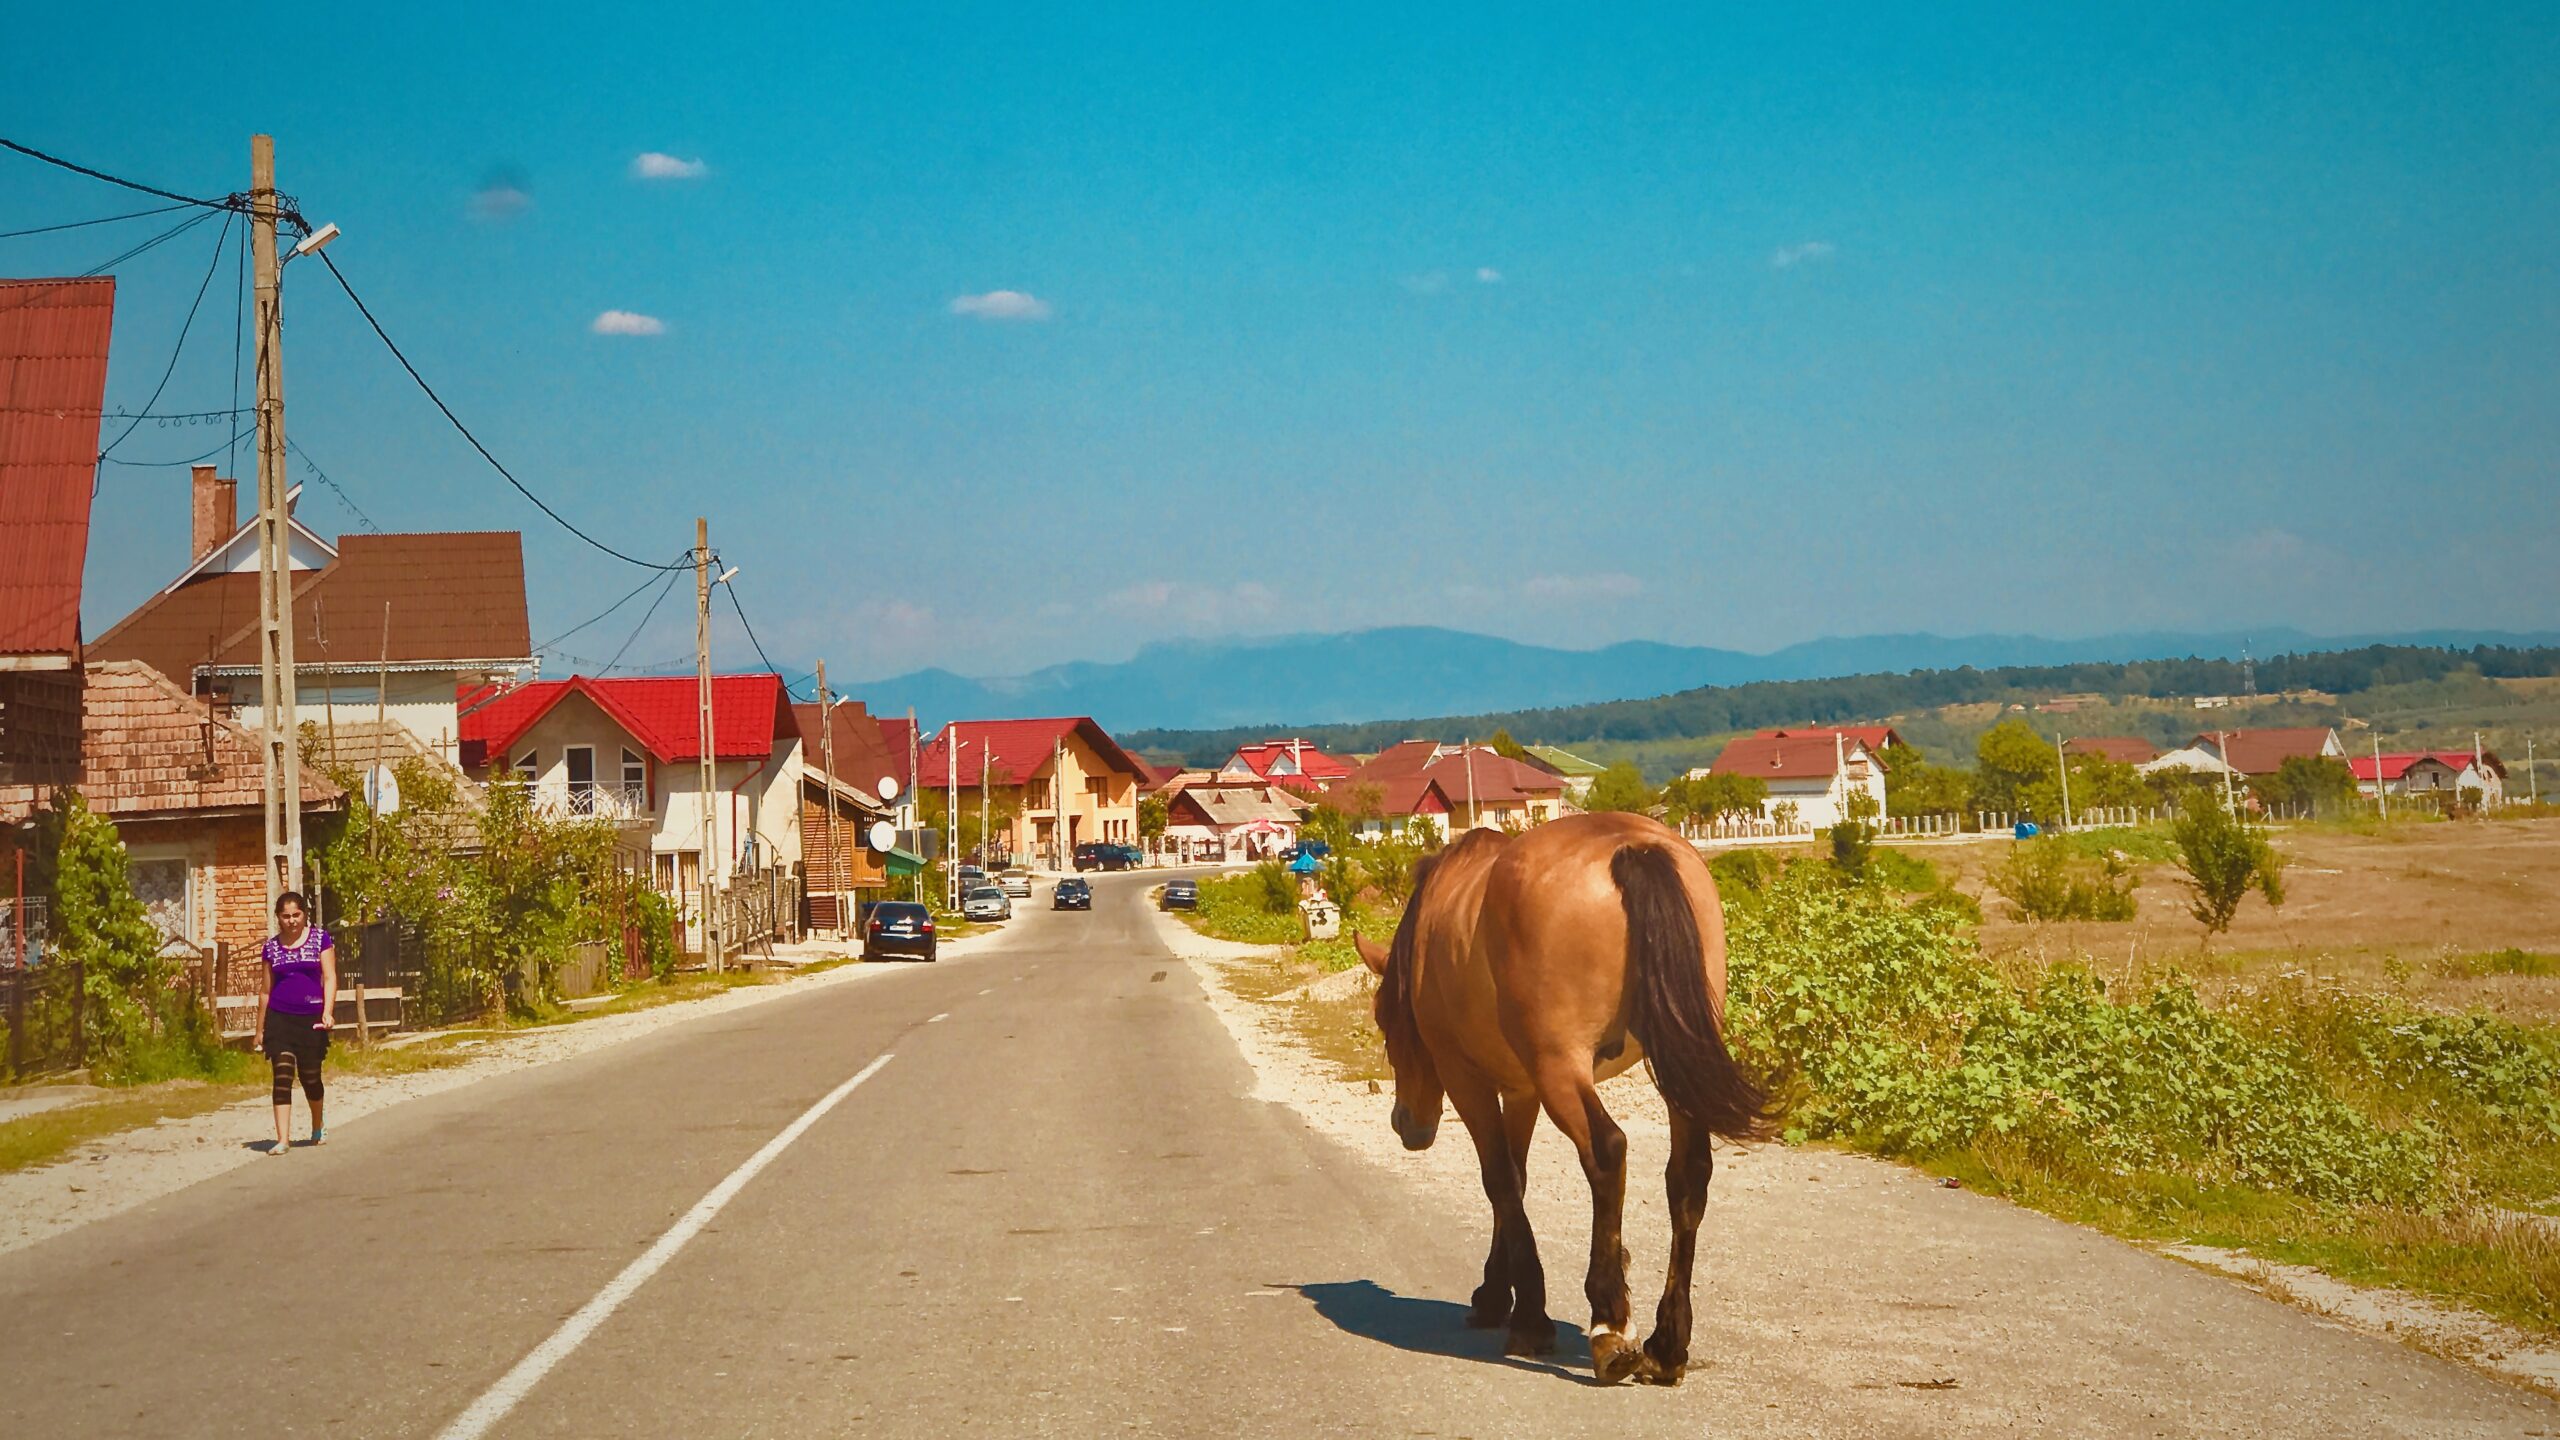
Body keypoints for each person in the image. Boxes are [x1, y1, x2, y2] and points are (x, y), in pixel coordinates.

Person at [260, 891, 336, 1154]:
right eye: (285, 916)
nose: (291, 921)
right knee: (282, 1074)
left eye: (296, 915)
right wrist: (260, 1030)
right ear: (278, 918)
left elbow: (330, 977)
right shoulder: (271, 948)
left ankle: (317, 1124)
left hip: (311, 1018)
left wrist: (328, 1011)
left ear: (304, 914)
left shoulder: (320, 939)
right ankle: (283, 1139)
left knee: (310, 1077)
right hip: (280, 1018)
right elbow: (265, 991)